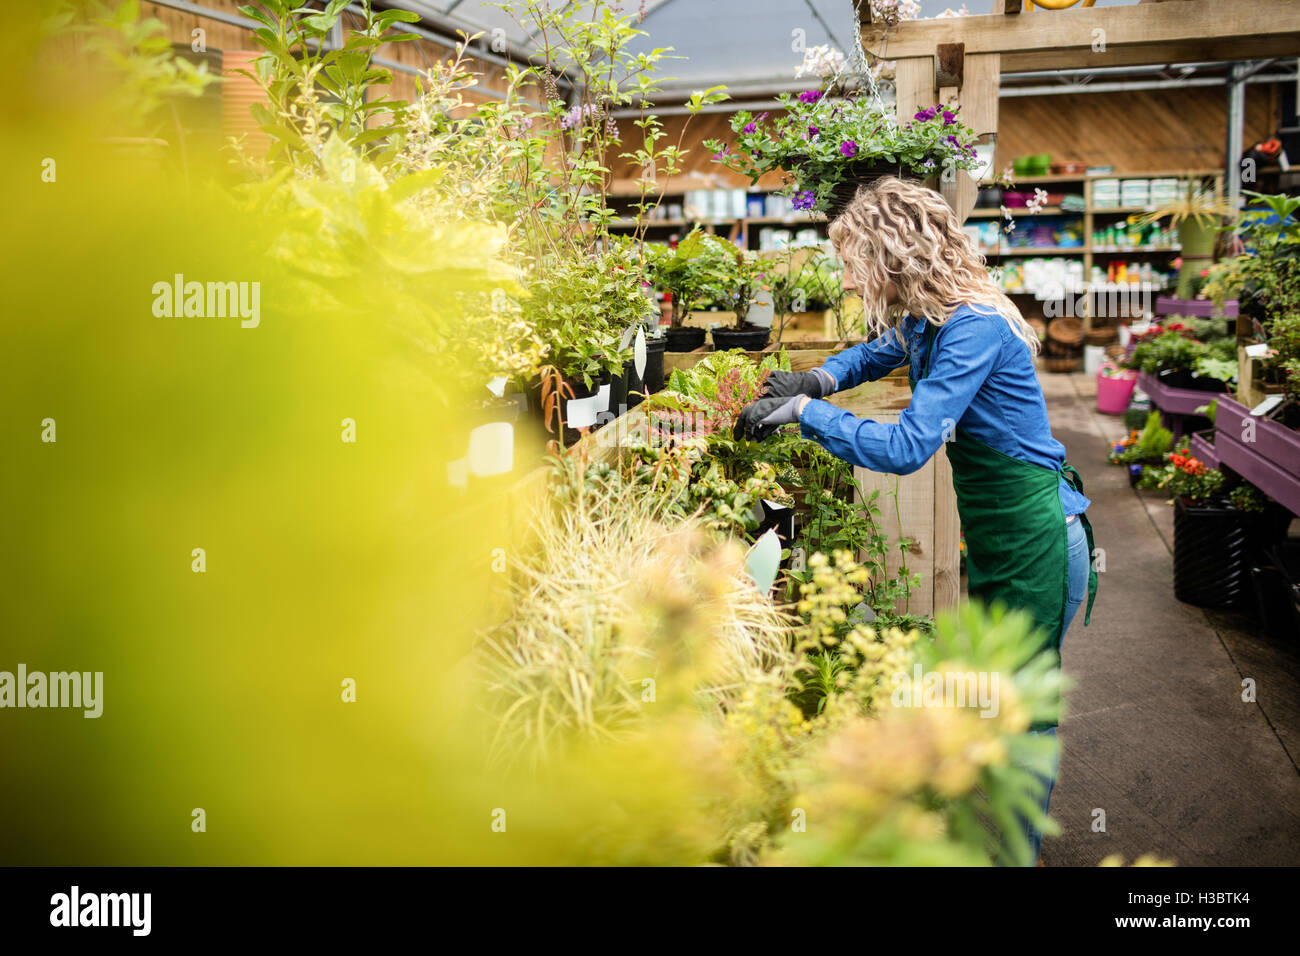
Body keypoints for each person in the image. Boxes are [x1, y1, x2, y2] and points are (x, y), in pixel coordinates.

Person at [736, 177, 1097, 864]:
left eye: (851, 261)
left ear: (889, 254)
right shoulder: (931, 317)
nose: (846, 277)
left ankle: (1013, 856)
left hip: (1039, 536)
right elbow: (873, 354)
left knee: (1025, 716)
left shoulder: (973, 329)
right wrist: (815, 381)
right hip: (1001, 536)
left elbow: (907, 448)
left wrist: (808, 416)